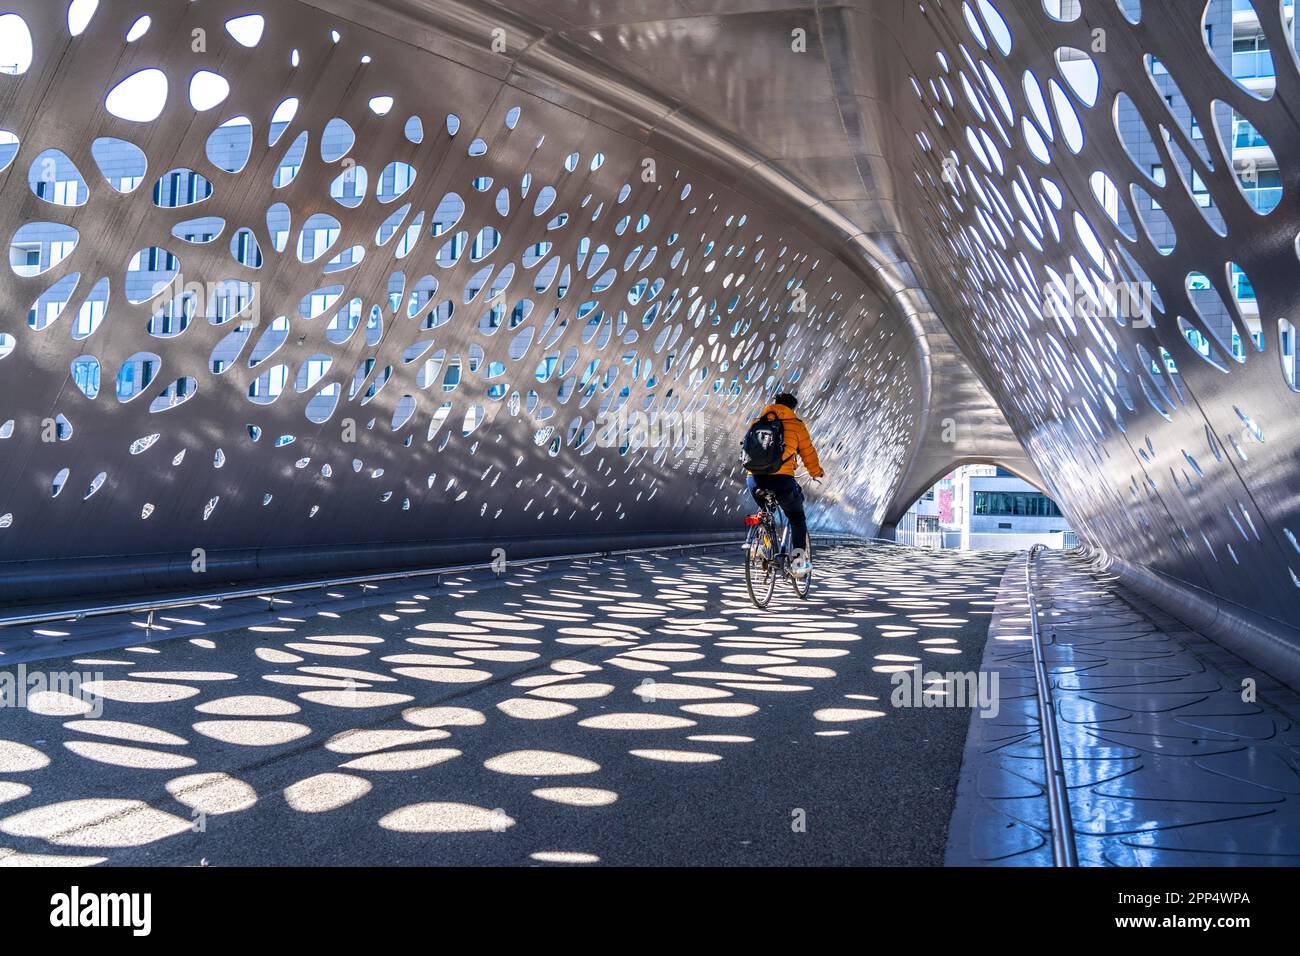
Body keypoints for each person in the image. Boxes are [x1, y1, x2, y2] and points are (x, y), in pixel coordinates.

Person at [744, 392, 823, 578]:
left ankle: (764, 546)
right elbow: (808, 453)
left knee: (765, 511)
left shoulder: (757, 422)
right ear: (792, 408)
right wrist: (815, 472)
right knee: (796, 518)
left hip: (754, 479)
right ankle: (798, 564)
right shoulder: (796, 425)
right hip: (782, 480)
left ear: (775, 404)